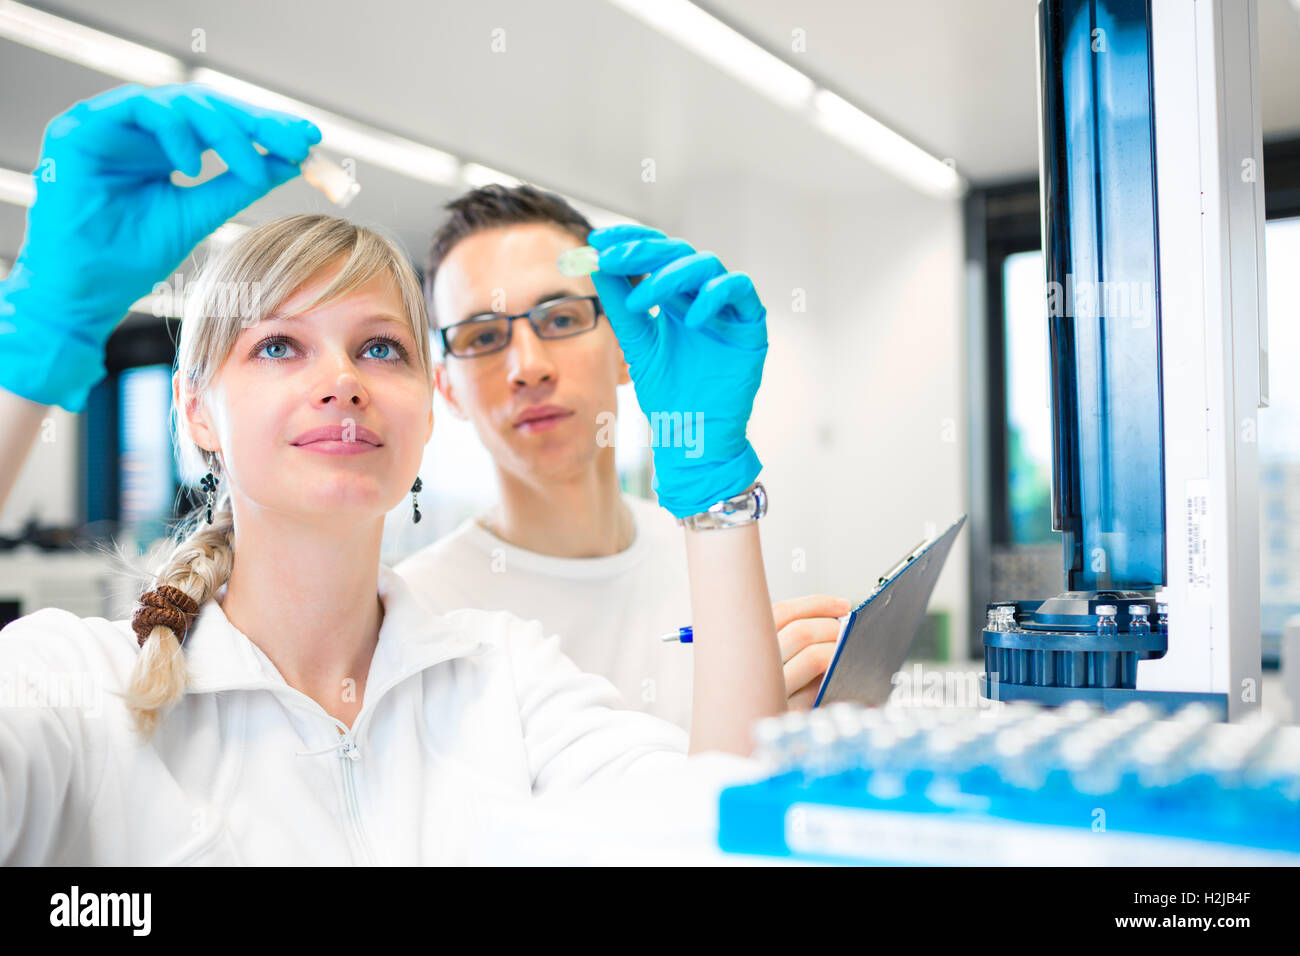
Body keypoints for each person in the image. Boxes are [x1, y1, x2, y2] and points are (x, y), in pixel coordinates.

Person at [0, 83, 785, 865]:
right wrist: (33, 347)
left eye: (381, 349)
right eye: (279, 346)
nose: (343, 382)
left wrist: (715, 495)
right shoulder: (77, 688)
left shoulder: (502, 679)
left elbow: (721, 840)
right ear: (197, 411)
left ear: (426, 410)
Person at [396, 186, 848, 728]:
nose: (529, 367)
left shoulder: (708, 546)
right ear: (447, 390)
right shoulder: (415, 611)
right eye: (483, 335)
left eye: (561, 319)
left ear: (623, 347)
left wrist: (804, 729)